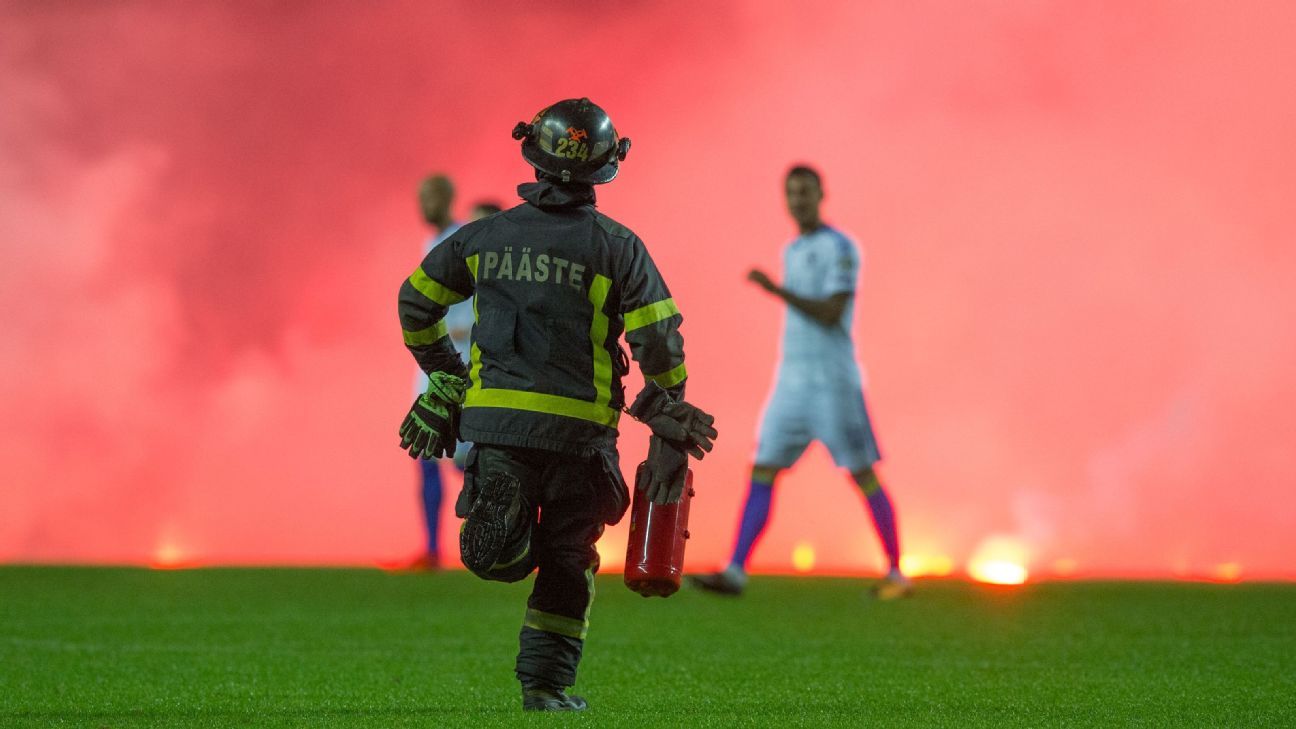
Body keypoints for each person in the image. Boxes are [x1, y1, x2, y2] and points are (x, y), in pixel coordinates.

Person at [396, 98, 717, 712]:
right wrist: (668, 404)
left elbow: (415, 303)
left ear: (534, 158)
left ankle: (508, 543)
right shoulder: (617, 247)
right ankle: (545, 688)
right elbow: (656, 340)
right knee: (570, 558)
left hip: (496, 425)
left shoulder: (483, 237)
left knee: (516, 531)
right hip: (578, 433)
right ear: (606, 167)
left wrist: (447, 377)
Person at [689, 165, 912, 600]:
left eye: (805, 192)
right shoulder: (792, 249)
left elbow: (831, 312)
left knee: (862, 472)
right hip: (791, 383)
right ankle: (734, 570)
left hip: (833, 383)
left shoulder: (840, 248)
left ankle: (896, 572)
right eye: (791, 193)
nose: (798, 200)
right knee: (763, 468)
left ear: (821, 194)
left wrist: (776, 291)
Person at [406, 174, 475, 570]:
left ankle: (484, 545)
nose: (423, 204)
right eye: (420, 197)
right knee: (427, 450)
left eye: (429, 196)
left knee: (469, 458)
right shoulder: (431, 243)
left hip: (461, 359)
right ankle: (432, 549)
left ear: (446, 198)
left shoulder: (461, 240)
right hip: (432, 363)